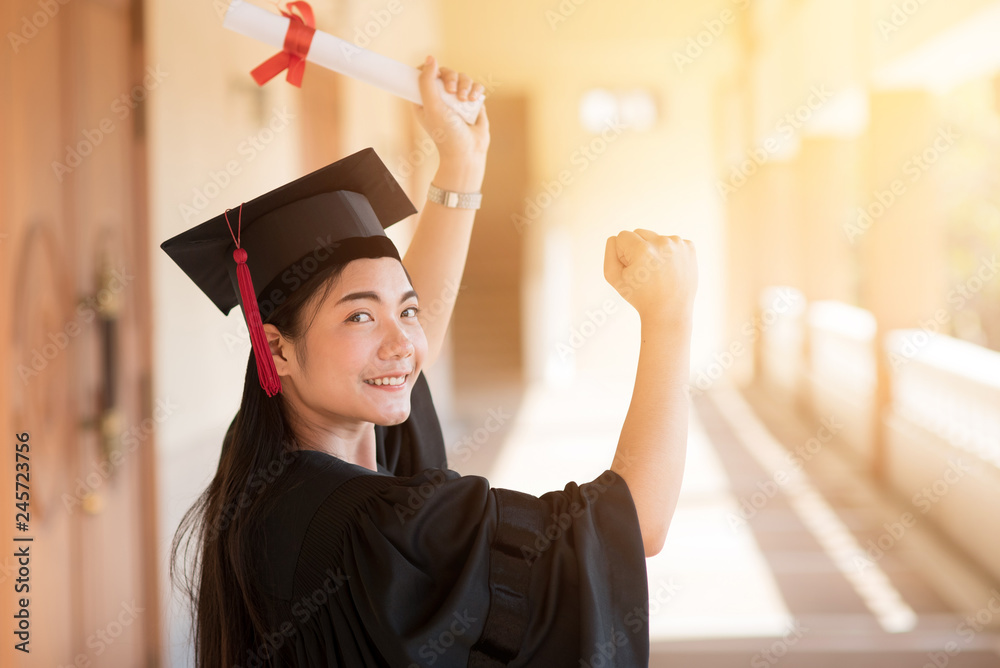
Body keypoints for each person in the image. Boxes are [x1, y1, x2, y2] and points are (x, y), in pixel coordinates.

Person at [163, 58, 698, 668]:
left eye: (406, 309)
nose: (400, 343)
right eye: (359, 316)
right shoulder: (385, 524)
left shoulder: (270, 463)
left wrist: (461, 162)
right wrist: (670, 317)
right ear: (277, 348)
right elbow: (633, 525)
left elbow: (409, 351)